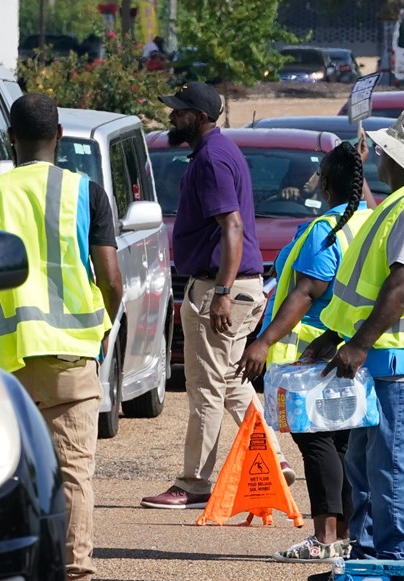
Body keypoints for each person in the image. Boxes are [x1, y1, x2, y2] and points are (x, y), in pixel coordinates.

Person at [0, 93, 124, 581]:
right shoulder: (85, 193)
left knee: (0, 473)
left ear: (9, 141)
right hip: (70, 358)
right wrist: (102, 329)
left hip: (0, 364)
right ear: (60, 136)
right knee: (74, 473)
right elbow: (111, 278)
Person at [301, 110, 404, 581]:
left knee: (390, 466)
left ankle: (397, 565)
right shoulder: (402, 202)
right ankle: (367, 560)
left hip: (401, 362)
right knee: (365, 466)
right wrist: (337, 334)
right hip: (383, 360)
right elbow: (367, 286)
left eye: (385, 151)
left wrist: (360, 343)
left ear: (398, 156)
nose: (379, 158)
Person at [140, 82, 295, 510]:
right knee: (228, 381)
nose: (172, 117)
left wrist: (222, 293)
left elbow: (232, 227)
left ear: (202, 116)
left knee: (206, 387)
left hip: (220, 288)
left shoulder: (211, 158)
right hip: (228, 286)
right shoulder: (220, 152)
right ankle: (275, 459)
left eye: (180, 110)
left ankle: (193, 484)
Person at [236, 140, 373, 563]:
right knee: (344, 444)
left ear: (326, 184)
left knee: (317, 443)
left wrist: (263, 340)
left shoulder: (324, 230)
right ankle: (345, 533)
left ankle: (325, 537)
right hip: (354, 347)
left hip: (313, 351)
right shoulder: (367, 221)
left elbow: (305, 292)